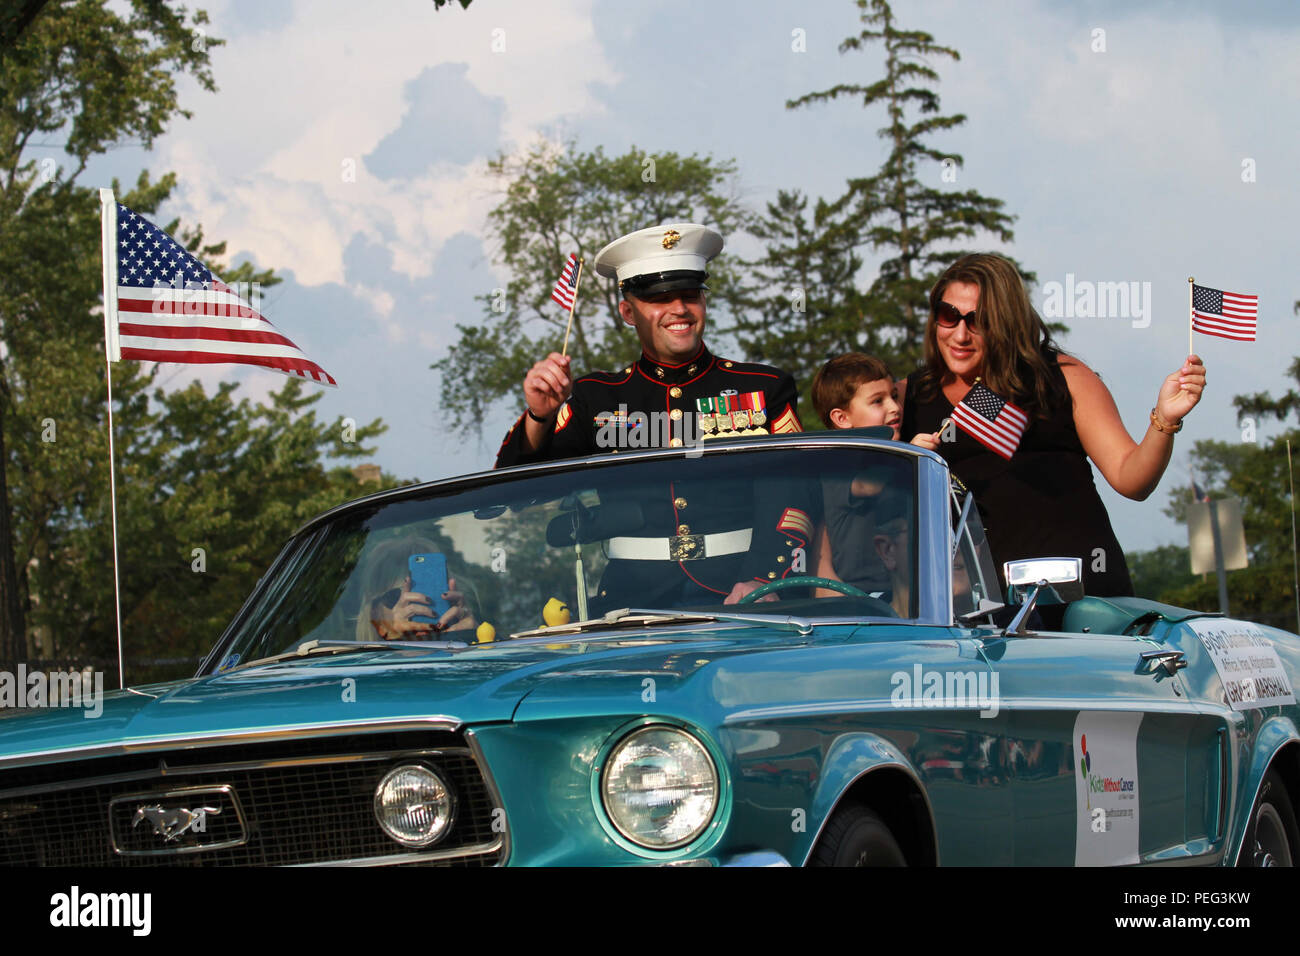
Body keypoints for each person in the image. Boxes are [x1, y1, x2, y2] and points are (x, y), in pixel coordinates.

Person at [494, 222, 812, 606]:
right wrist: (539, 416)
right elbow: (517, 494)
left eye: (690, 295)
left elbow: (797, 491)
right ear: (628, 311)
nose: (679, 309)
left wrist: (764, 578)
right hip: (630, 606)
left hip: (740, 597)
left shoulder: (763, 388)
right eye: (660, 298)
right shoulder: (596, 399)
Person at [900, 253, 1207, 598]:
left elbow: (1131, 479)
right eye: (948, 316)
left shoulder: (1064, 377)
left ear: (1006, 322)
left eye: (978, 321)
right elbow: (863, 502)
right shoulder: (906, 397)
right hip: (974, 613)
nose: (960, 335)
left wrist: (1164, 420)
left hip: (1082, 599)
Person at [809, 352, 937, 595]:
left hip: (902, 592)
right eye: (878, 401)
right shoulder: (836, 462)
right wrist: (912, 455)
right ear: (842, 418)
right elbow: (868, 485)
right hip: (860, 595)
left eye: (894, 396)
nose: (894, 407)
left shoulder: (889, 459)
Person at [355, 537, 477, 641]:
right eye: (396, 596)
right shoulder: (355, 665)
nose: (418, 607)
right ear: (374, 612)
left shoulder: (470, 647)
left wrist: (473, 639)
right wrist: (403, 645)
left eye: (431, 593)